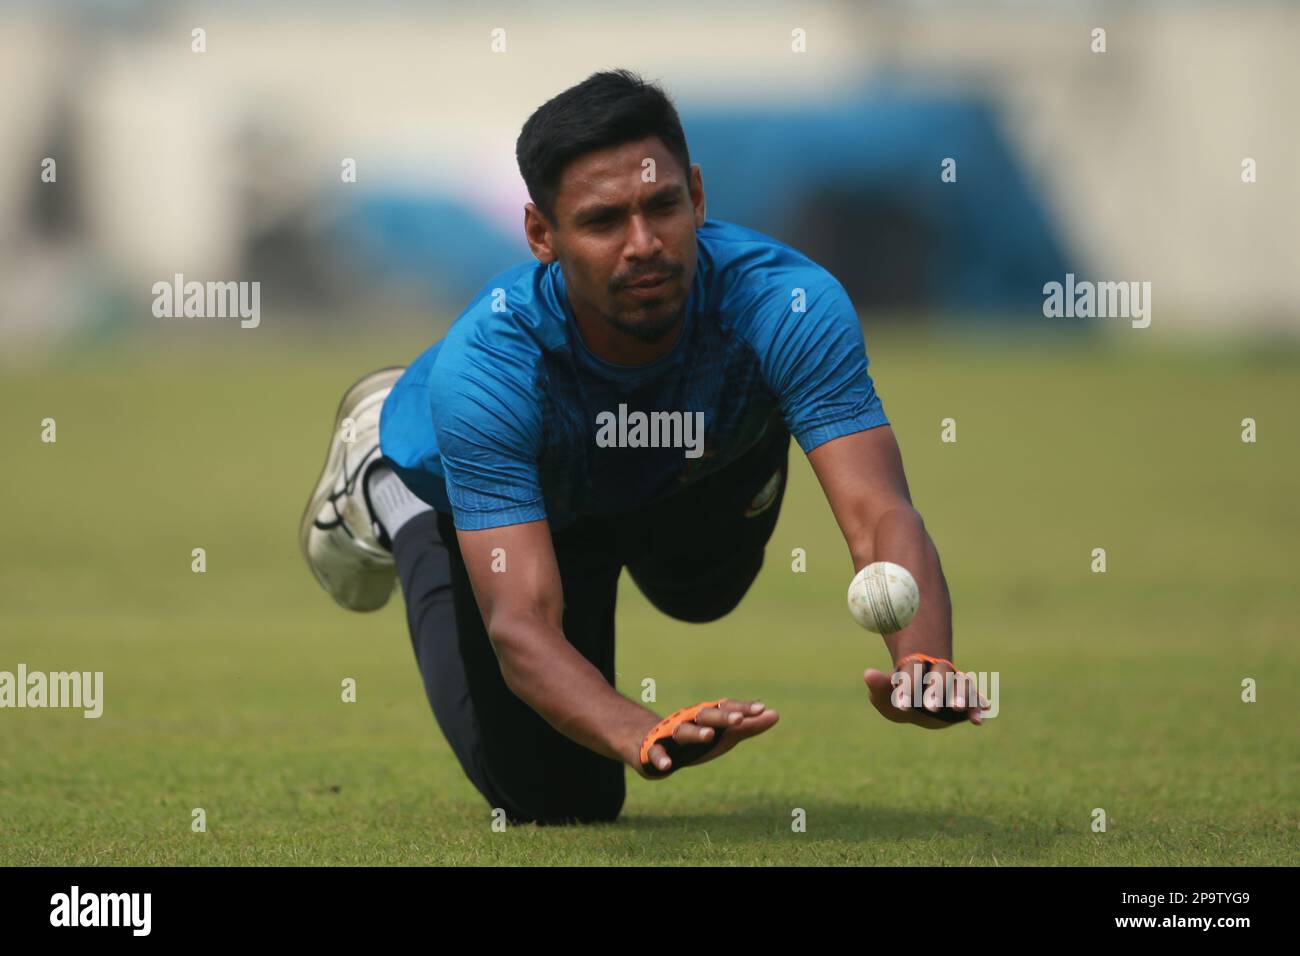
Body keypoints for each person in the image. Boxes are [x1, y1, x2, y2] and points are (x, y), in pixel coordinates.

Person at [299, 69, 982, 826]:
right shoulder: (490, 367)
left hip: (700, 470)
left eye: (663, 206)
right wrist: (635, 727)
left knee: (702, 595)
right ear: (540, 235)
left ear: (697, 194)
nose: (643, 245)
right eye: (602, 222)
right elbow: (521, 622)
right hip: (552, 507)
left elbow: (879, 511)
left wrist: (925, 661)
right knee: (560, 802)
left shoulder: (787, 302)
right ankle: (394, 496)